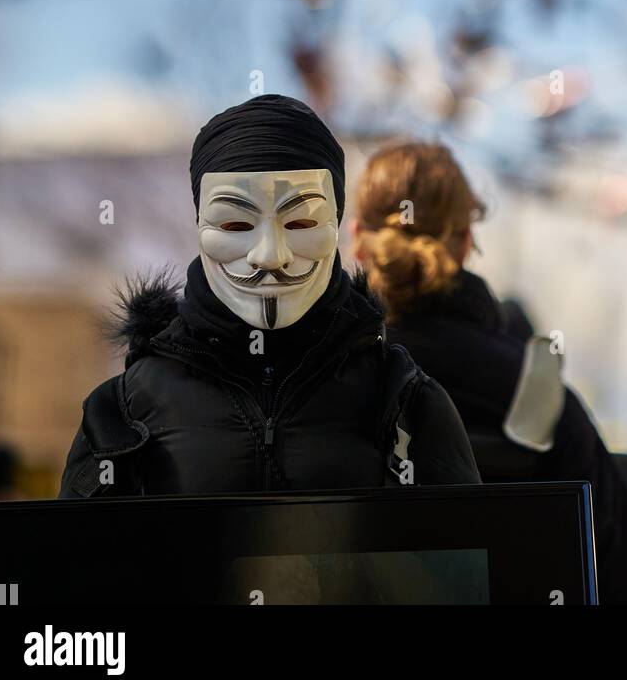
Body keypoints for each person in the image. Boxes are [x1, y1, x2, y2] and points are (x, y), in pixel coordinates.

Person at [58, 96, 479, 499]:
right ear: (200, 224)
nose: (270, 256)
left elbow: (465, 562)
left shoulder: (403, 401)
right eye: (236, 225)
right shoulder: (125, 410)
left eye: (300, 221)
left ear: (336, 222)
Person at [351, 141, 627, 604]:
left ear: (356, 237)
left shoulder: (321, 381)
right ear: (468, 241)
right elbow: (616, 578)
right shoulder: (540, 393)